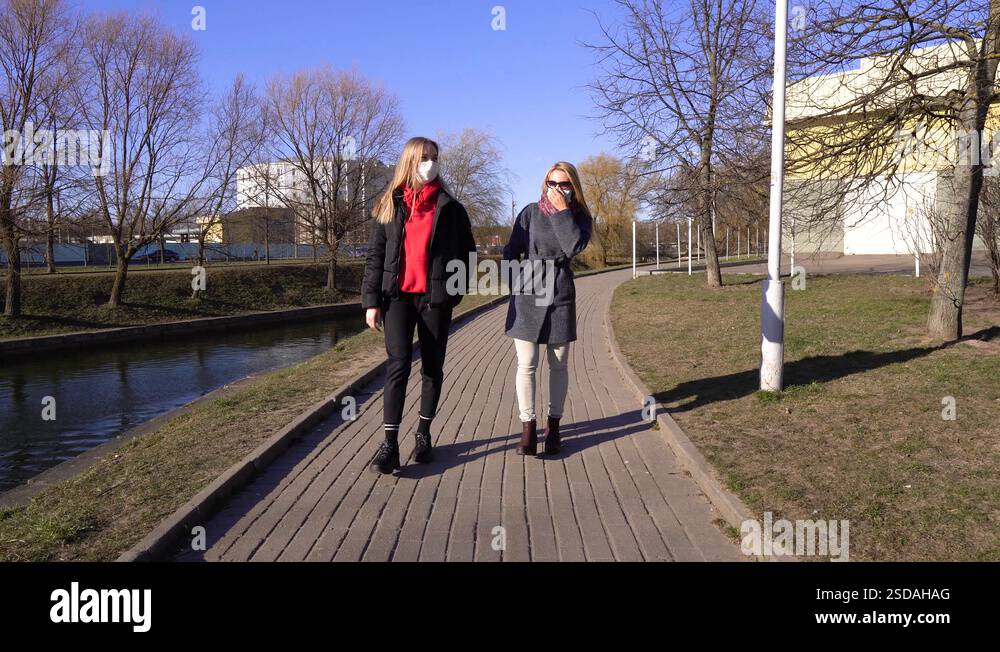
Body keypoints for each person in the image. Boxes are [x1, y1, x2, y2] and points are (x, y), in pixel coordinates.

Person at [361, 136, 477, 474]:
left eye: (435, 157)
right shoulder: (389, 204)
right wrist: (371, 302)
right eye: (425, 157)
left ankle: (423, 434)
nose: (431, 163)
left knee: (431, 368)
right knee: (398, 365)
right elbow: (375, 257)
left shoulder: (451, 208)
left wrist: (453, 292)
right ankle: (390, 444)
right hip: (397, 298)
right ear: (410, 161)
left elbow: (468, 254)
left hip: (434, 301)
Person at [502, 162, 593, 456]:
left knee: (558, 364)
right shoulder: (530, 212)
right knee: (526, 364)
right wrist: (516, 281)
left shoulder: (580, 217)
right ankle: (527, 428)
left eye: (564, 184)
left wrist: (562, 211)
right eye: (552, 184)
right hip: (529, 288)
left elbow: (572, 246)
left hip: (560, 290)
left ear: (573, 187)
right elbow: (510, 251)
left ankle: (553, 428)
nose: (557, 190)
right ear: (545, 183)